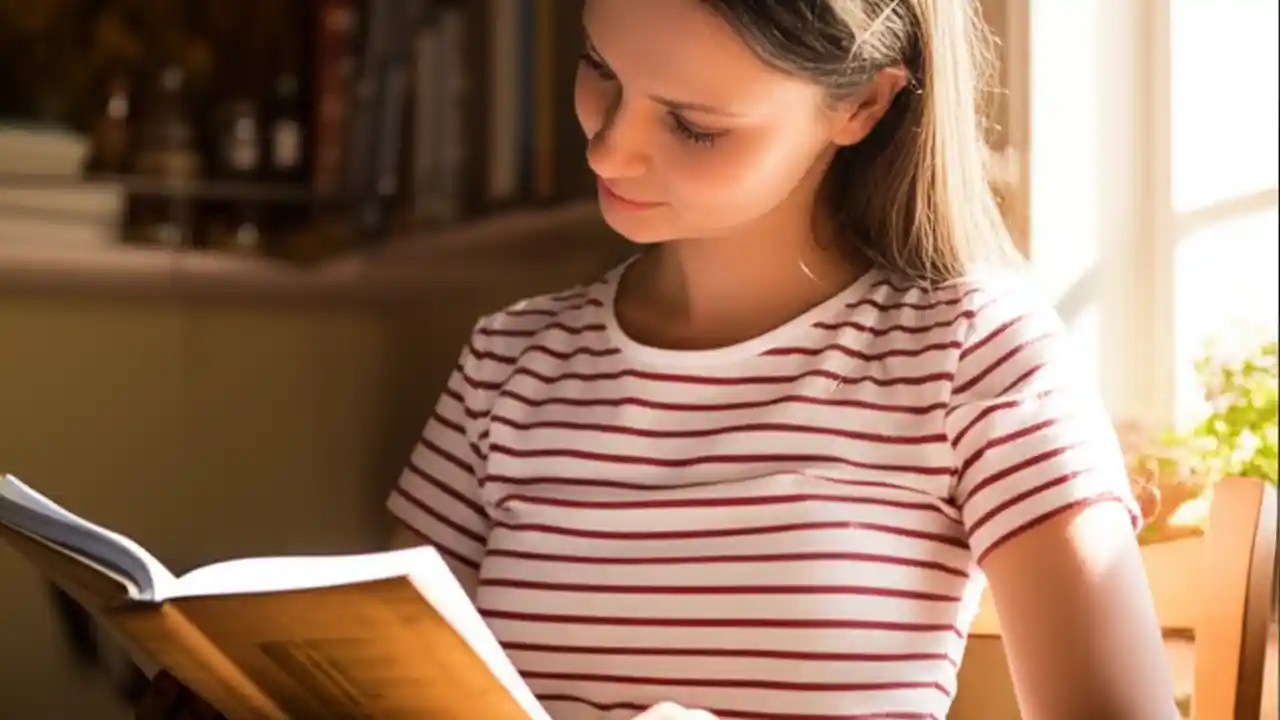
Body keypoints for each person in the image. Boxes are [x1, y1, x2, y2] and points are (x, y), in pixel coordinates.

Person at [139, 0, 1178, 718]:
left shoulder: (972, 356)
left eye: (691, 123)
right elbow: (389, 684)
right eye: (600, 70)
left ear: (860, 106)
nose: (608, 149)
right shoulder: (509, 363)